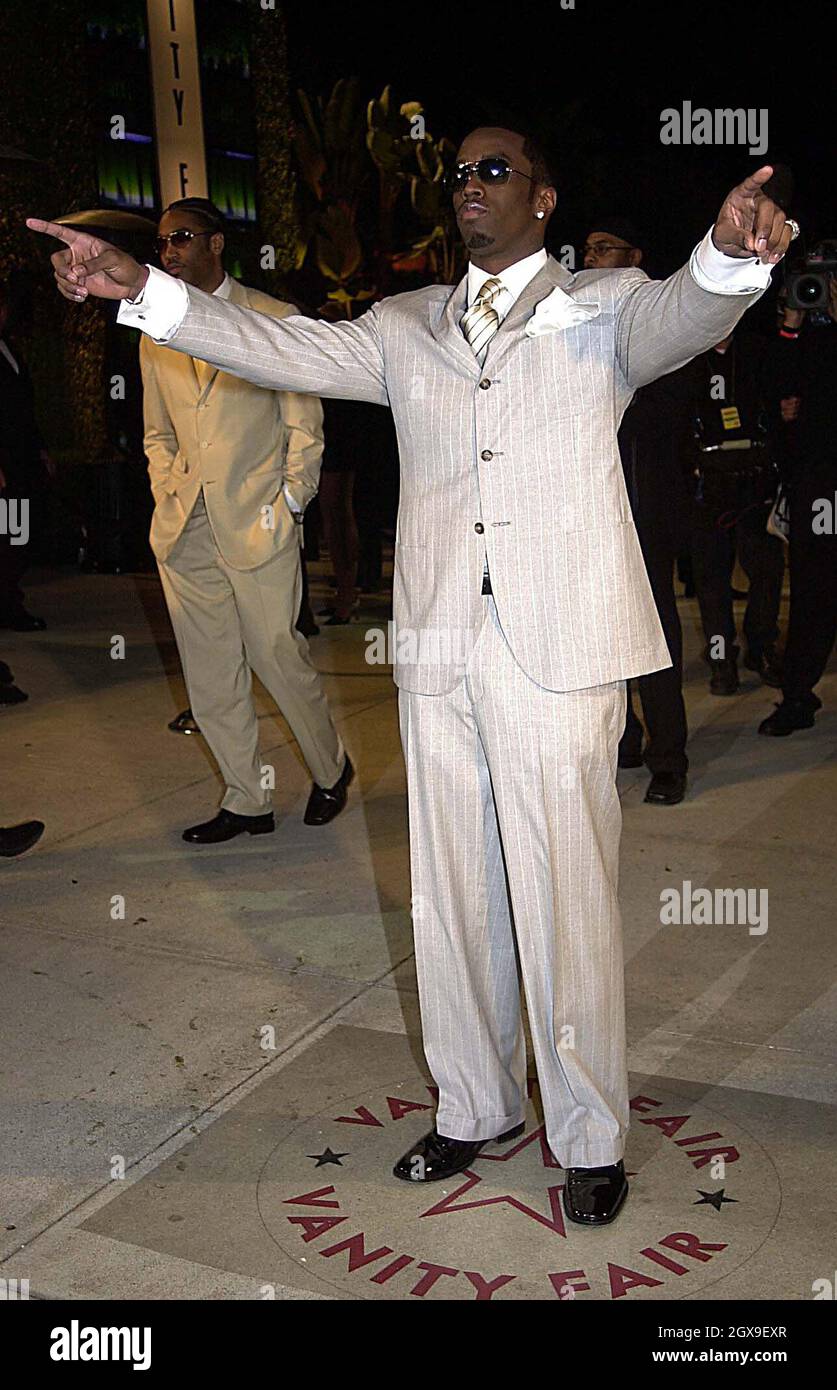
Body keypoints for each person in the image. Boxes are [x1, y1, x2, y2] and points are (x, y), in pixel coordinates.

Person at [29, 135, 794, 1226]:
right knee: (450, 892)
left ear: (544, 194)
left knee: (563, 896)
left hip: (561, 647)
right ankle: (473, 1104)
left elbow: (690, 312)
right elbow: (277, 348)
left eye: (493, 172)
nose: (468, 189)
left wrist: (728, 252)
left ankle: (586, 1133)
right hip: (438, 647)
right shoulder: (403, 325)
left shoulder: (603, 305)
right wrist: (142, 288)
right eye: (458, 176)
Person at [128, 197, 351, 841]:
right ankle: (245, 796)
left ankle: (330, 769)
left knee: (279, 654)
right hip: (185, 522)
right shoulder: (156, 330)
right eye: (163, 241)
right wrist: (165, 489)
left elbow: (304, 428)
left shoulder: (274, 319)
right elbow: (156, 432)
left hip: (258, 519)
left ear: (218, 243)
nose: (169, 250)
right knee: (209, 666)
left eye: (183, 237)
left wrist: (291, 502)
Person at [584, 220, 691, 805]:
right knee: (600, 628)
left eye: (604, 248)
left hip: (647, 502)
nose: (591, 256)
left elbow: (669, 411)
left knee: (654, 631)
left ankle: (668, 756)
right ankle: (621, 737)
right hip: (593, 503)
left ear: (634, 255)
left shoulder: (654, 318)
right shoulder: (576, 316)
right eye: (589, 247)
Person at [684, 328, 785, 695]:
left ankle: (761, 646)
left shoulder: (756, 356)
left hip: (754, 483)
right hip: (706, 488)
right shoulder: (687, 360)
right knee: (712, 583)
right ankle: (721, 660)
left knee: (768, 568)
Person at [759, 276, 837, 734]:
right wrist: (791, 324)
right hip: (819, 481)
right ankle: (796, 698)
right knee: (813, 594)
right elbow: (777, 386)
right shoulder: (810, 336)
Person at [0, 280, 53, 632]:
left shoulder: (9, 347)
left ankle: (8, 600)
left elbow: (23, 407)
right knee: (9, 536)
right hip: (5, 466)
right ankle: (7, 605)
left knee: (17, 534)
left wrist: (40, 449)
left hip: (21, 460)